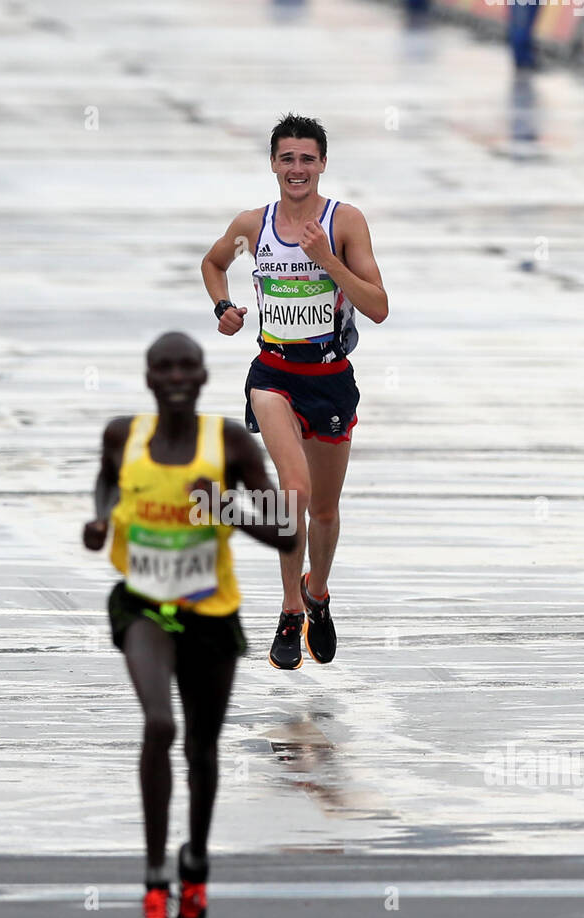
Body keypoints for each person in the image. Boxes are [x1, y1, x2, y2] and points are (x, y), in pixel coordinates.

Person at [83, 332, 296, 918]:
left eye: (187, 368)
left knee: (201, 749)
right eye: (163, 368)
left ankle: (195, 863)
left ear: (203, 378)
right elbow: (106, 482)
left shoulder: (226, 442)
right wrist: (101, 520)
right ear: (149, 379)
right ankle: (154, 879)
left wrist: (226, 507)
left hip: (210, 614)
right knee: (159, 726)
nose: (176, 377)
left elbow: (285, 532)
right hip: (145, 607)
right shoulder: (124, 436)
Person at [200, 113, 388, 670]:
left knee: (324, 511)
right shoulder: (252, 226)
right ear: (274, 164)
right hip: (273, 375)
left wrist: (327, 261)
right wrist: (223, 307)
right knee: (296, 492)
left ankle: (318, 594)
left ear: (323, 163)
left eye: (308, 158)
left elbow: (377, 307)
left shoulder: (345, 221)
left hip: (330, 381)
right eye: (288, 159)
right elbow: (213, 264)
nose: (298, 169)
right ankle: (288, 610)